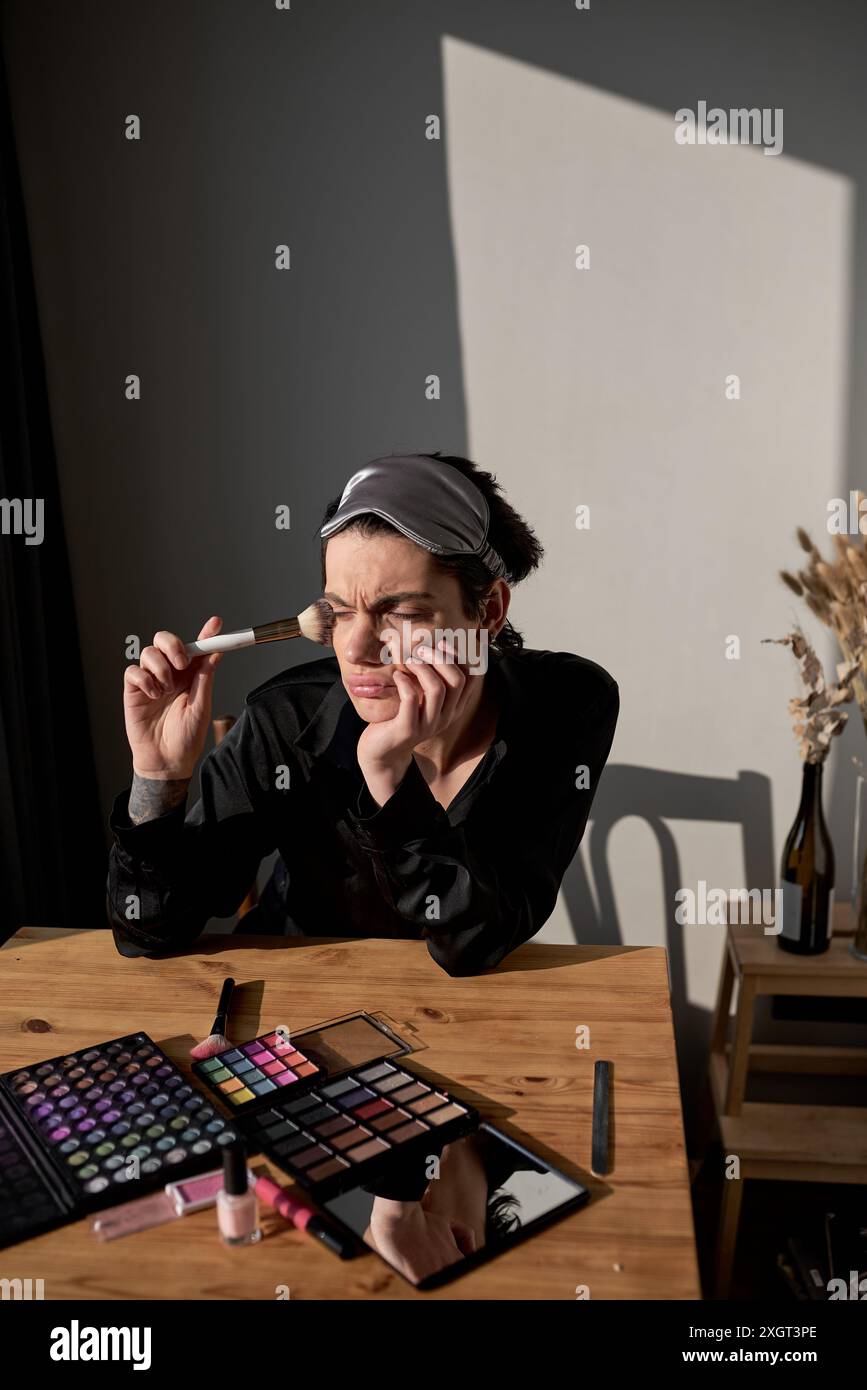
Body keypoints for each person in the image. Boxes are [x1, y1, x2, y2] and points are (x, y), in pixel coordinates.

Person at [106, 452, 619, 974]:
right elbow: (149, 931)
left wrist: (387, 774)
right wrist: (159, 778)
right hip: (297, 1003)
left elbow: (474, 945)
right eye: (340, 612)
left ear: (487, 612)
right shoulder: (285, 720)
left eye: (402, 613)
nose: (356, 648)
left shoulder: (565, 704)